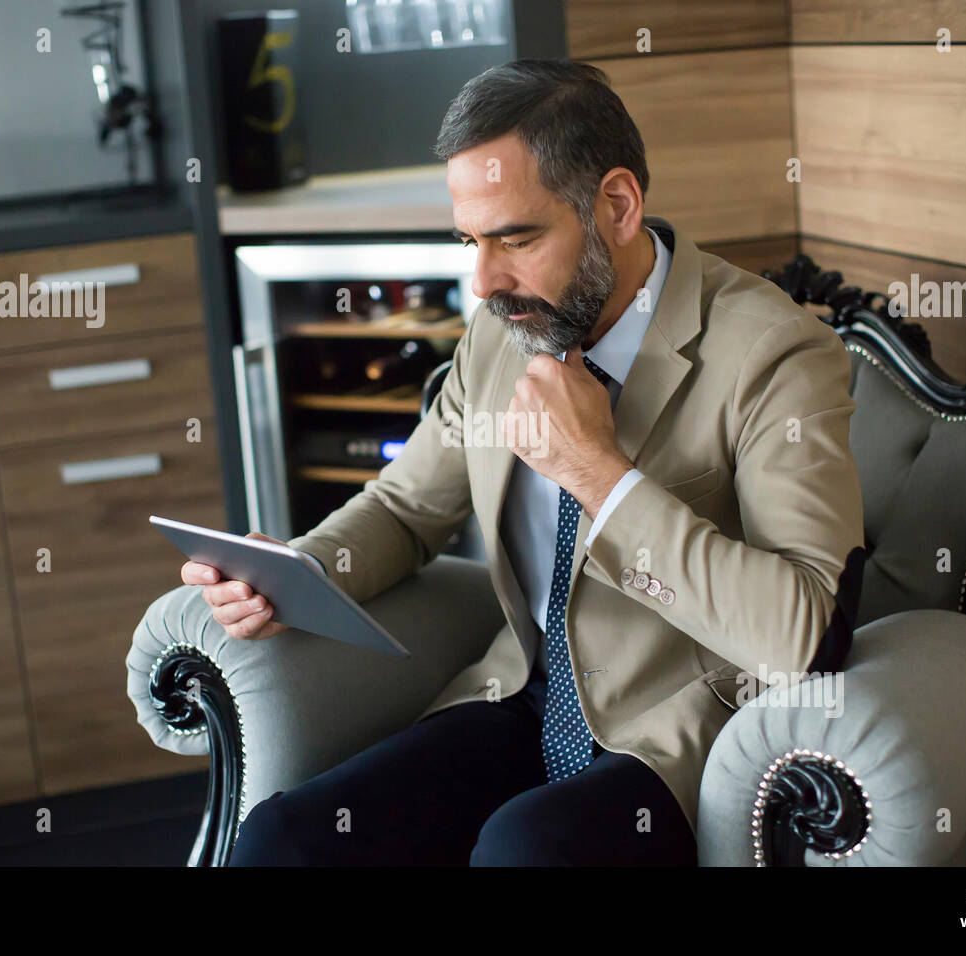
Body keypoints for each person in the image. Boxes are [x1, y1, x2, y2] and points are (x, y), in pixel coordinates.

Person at [181, 59, 867, 866]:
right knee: (283, 840)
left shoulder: (773, 353)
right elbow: (406, 511)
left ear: (616, 204)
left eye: (516, 238)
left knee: (522, 851)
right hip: (523, 696)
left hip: (680, 730)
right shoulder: (504, 333)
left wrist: (600, 477)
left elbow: (804, 635)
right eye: (470, 242)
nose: (484, 282)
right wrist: (295, 569)